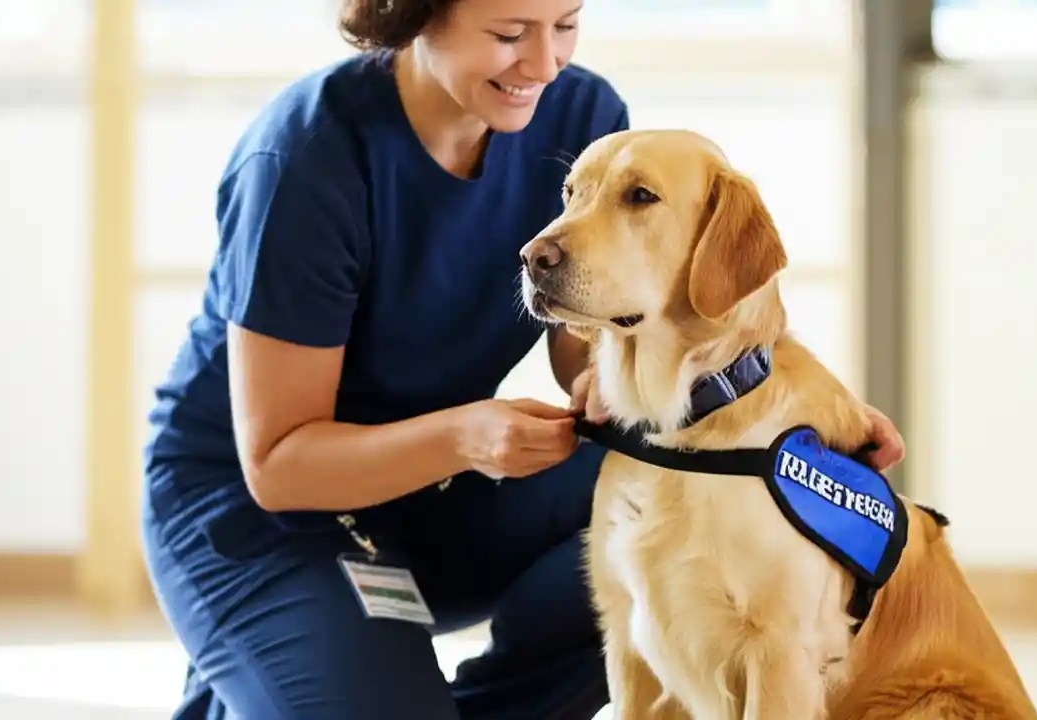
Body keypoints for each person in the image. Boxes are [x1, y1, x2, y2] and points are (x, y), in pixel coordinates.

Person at [139, 1, 907, 718]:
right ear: (419, 11)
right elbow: (279, 466)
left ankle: (327, 670)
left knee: (658, 500)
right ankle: (279, 640)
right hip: (256, 510)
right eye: (510, 33)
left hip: (433, 496)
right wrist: (466, 438)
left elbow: (591, 348)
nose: (543, 64)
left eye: (565, 24)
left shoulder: (578, 116)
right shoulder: (305, 157)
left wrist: (801, 421)